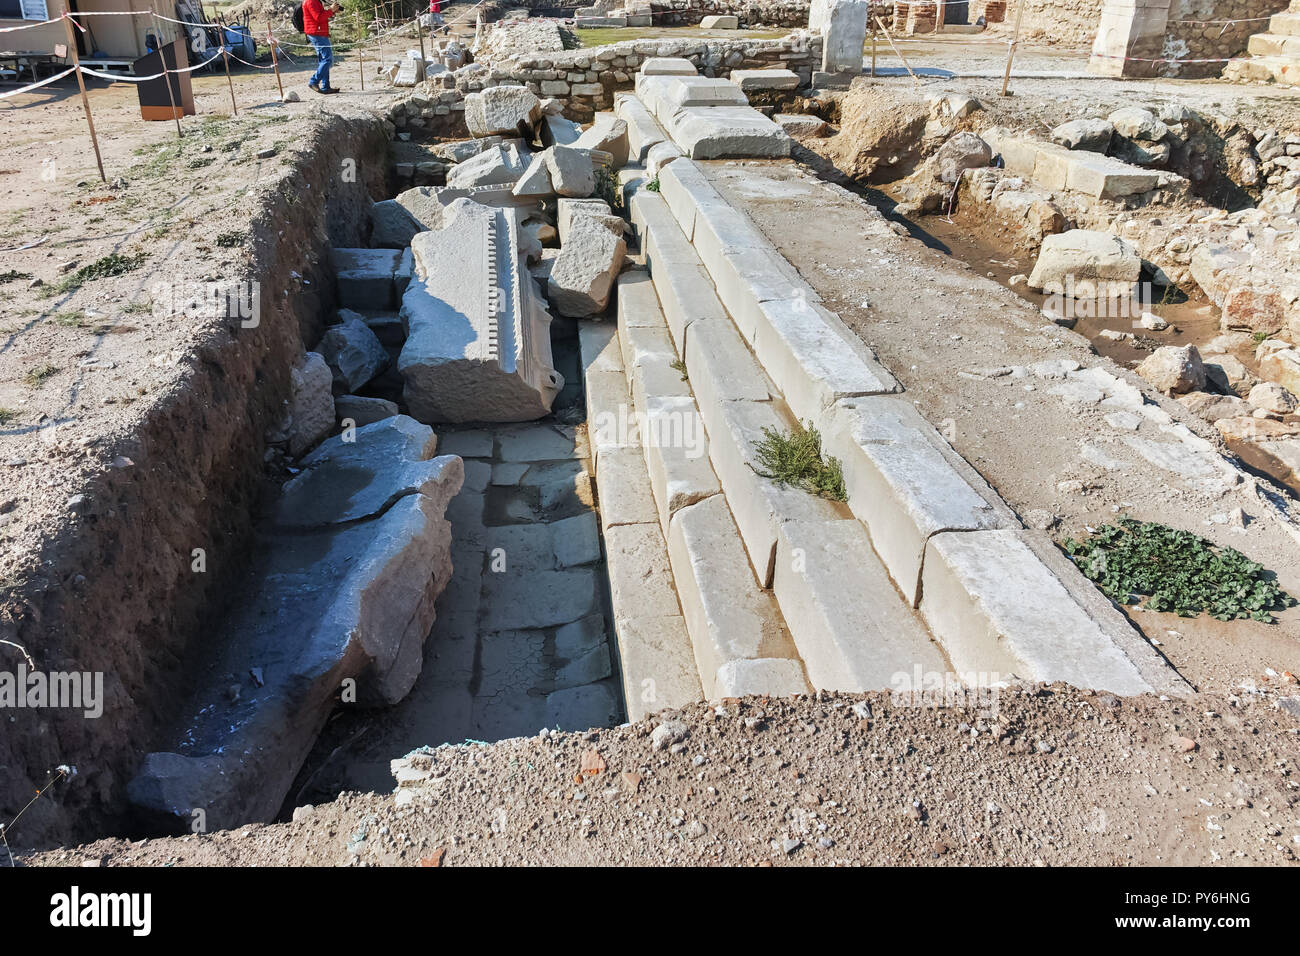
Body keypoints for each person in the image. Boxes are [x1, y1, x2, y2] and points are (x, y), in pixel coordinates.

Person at [303, 0, 342, 94]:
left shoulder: (315, 1)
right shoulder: (311, 1)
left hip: (318, 33)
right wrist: (331, 10)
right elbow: (318, 18)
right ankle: (314, 81)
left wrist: (331, 12)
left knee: (323, 60)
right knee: (327, 59)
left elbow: (320, 16)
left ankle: (326, 86)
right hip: (316, 33)